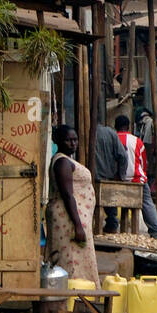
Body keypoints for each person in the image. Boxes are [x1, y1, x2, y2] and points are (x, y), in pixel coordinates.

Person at [46, 124, 99, 290]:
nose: (73, 143)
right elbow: (68, 194)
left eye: (75, 140)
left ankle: (81, 296)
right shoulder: (62, 162)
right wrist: (78, 226)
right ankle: (70, 296)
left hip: (73, 217)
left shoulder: (67, 160)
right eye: (68, 140)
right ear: (59, 141)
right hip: (68, 219)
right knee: (69, 258)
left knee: (78, 256)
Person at [113, 115, 157, 239]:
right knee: (147, 204)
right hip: (137, 179)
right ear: (128, 126)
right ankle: (156, 232)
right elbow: (143, 162)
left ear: (115, 126)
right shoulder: (137, 141)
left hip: (117, 180)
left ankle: (112, 225)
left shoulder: (113, 139)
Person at [93, 120, 127, 233]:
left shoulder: (84, 132)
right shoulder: (110, 133)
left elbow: (122, 156)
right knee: (111, 212)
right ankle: (110, 229)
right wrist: (120, 176)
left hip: (92, 179)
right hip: (108, 178)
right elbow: (123, 156)